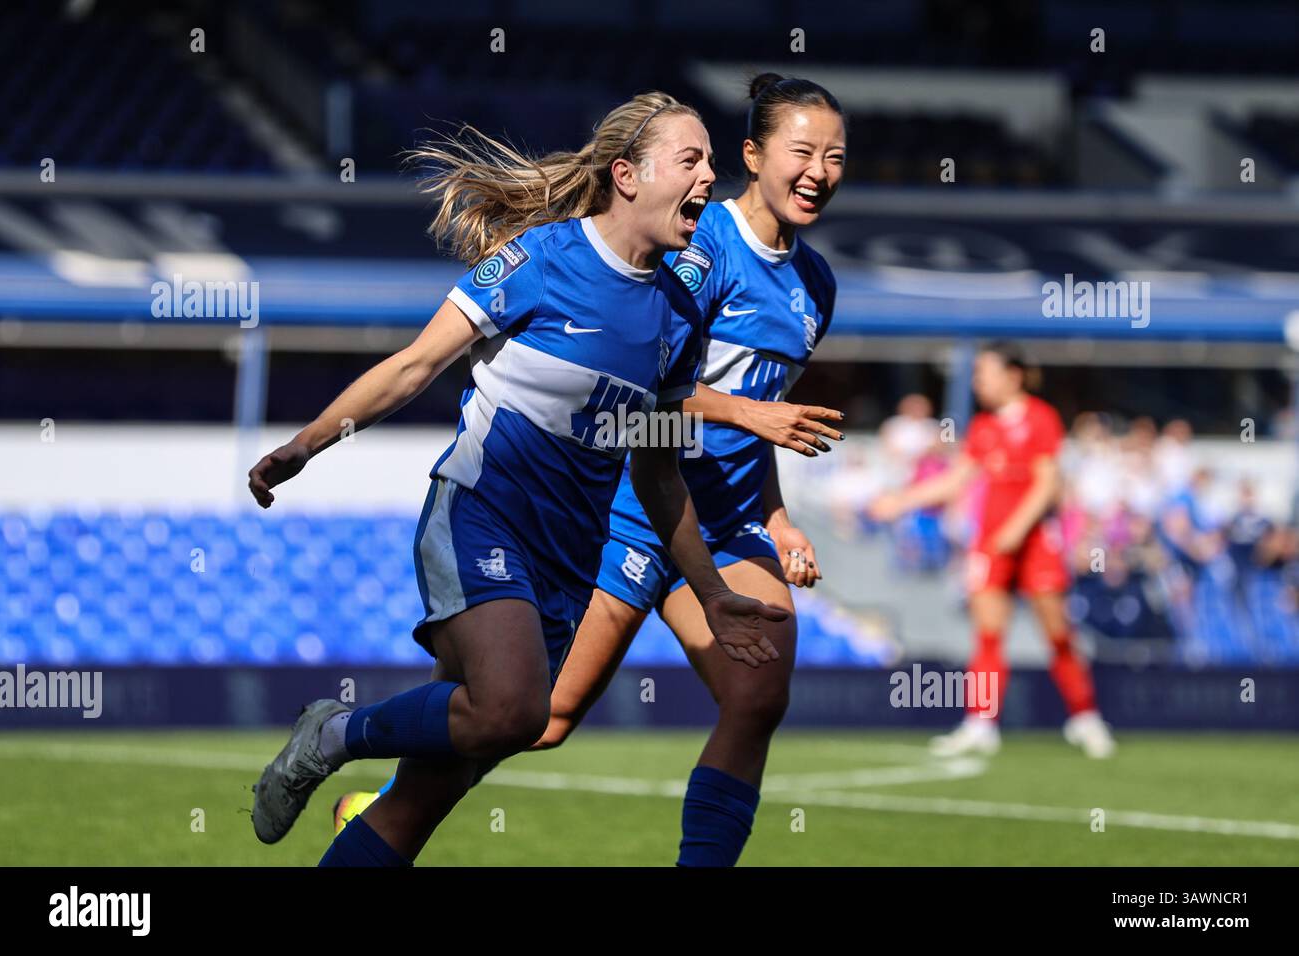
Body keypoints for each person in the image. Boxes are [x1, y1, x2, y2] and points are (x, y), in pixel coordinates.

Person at [246, 92, 789, 867]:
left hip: (567, 563)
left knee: (420, 800)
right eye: (691, 159)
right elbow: (414, 366)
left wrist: (710, 592)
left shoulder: (676, 315)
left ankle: (336, 756)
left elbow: (659, 469)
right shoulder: (542, 260)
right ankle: (333, 733)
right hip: (482, 516)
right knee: (510, 711)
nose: (709, 176)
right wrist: (305, 445)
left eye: (709, 159)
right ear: (627, 176)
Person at [870, 343, 1116, 759]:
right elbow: (956, 480)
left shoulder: (1041, 417)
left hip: (1033, 542)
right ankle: (980, 724)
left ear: (1012, 375)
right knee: (987, 635)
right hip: (991, 543)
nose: (977, 381)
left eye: (984, 373)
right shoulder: (983, 426)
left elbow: (1047, 483)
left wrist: (1016, 530)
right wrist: (901, 500)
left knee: (1057, 633)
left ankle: (1085, 717)